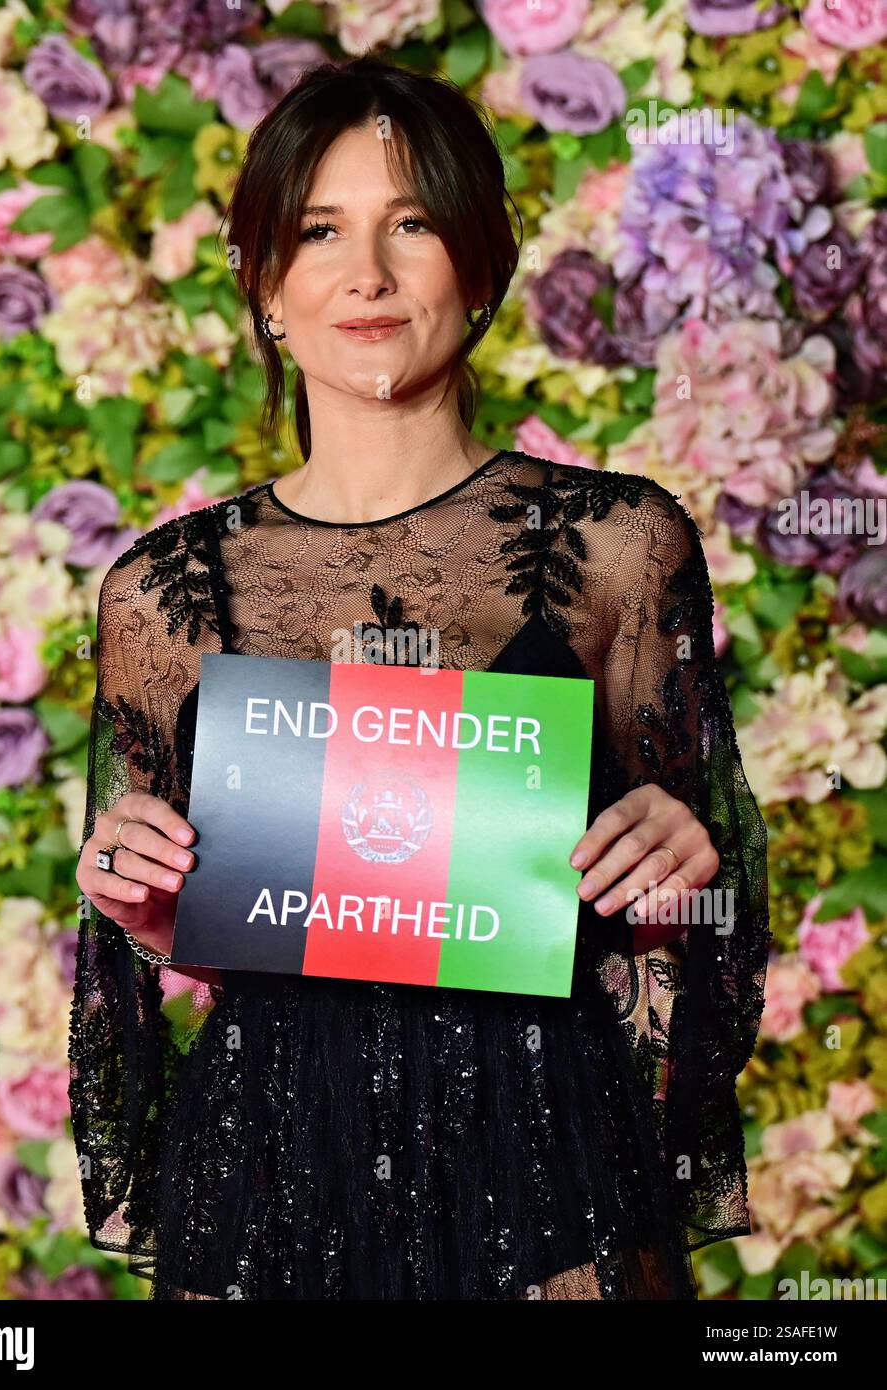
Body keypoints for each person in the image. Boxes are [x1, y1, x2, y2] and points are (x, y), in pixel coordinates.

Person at [71, 55, 771, 1301]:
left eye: (412, 224)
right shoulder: (162, 590)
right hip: (266, 1176)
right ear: (264, 283)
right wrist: (144, 911)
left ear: (480, 266)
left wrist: (675, 876)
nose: (368, 273)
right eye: (320, 229)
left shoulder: (622, 544)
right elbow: (170, 960)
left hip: (551, 1161)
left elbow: (685, 951)